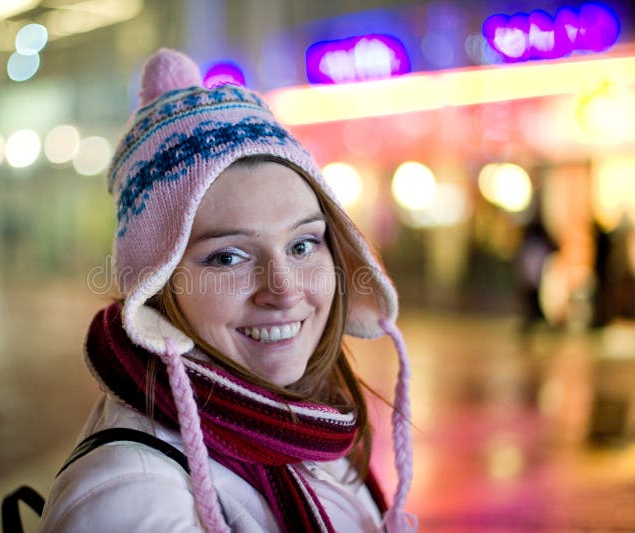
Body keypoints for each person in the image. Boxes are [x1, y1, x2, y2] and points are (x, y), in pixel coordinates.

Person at [38, 49, 416, 532]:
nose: (283, 290)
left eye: (303, 244)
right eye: (228, 257)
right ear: (155, 286)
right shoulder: (129, 497)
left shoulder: (299, 421)